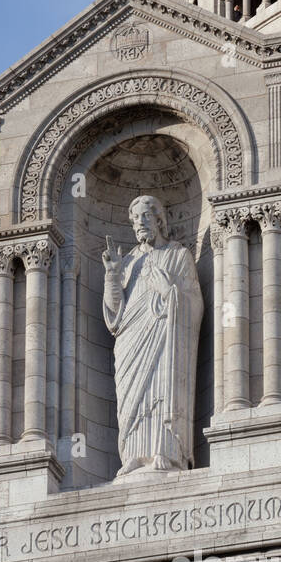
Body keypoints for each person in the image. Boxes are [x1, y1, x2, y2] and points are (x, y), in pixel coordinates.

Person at [103, 195, 203, 477]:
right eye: (135, 218)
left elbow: (194, 304)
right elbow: (114, 315)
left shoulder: (178, 255)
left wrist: (170, 292)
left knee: (161, 387)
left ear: (159, 220)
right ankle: (134, 454)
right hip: (131, 340)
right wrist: (112, 276)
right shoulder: (128, 262)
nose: (140, 223)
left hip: (166, 337)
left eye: (146, 216)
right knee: (132, 397)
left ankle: (167, 451)